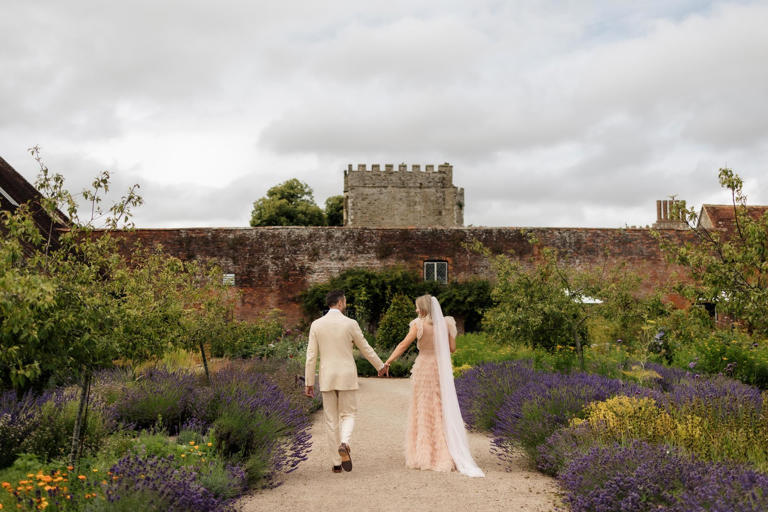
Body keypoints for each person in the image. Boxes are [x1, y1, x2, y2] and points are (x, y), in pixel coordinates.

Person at [381, 294, 484, 477]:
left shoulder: (418, 325)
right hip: (441, 369)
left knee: (424, 408)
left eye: (416, 307)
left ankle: (425, 454)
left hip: (424, 368)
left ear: (422, 308)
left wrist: (388, 361)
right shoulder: (447, 324)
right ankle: (447, 451)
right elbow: (452, 349)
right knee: (442, 408)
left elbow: (404, 344)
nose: (415, 310)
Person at [304, 289, 386, 473]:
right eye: (345, 302)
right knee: (348, 414)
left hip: (327, 377)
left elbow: (311, 356)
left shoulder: (316, 325)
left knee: (331, 420)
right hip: (347, 376)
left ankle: (335, 463)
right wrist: (380, 366)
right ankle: (345, 443)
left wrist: (309, 382)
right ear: (340, 303)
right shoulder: (350, 323)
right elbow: (365, 347)